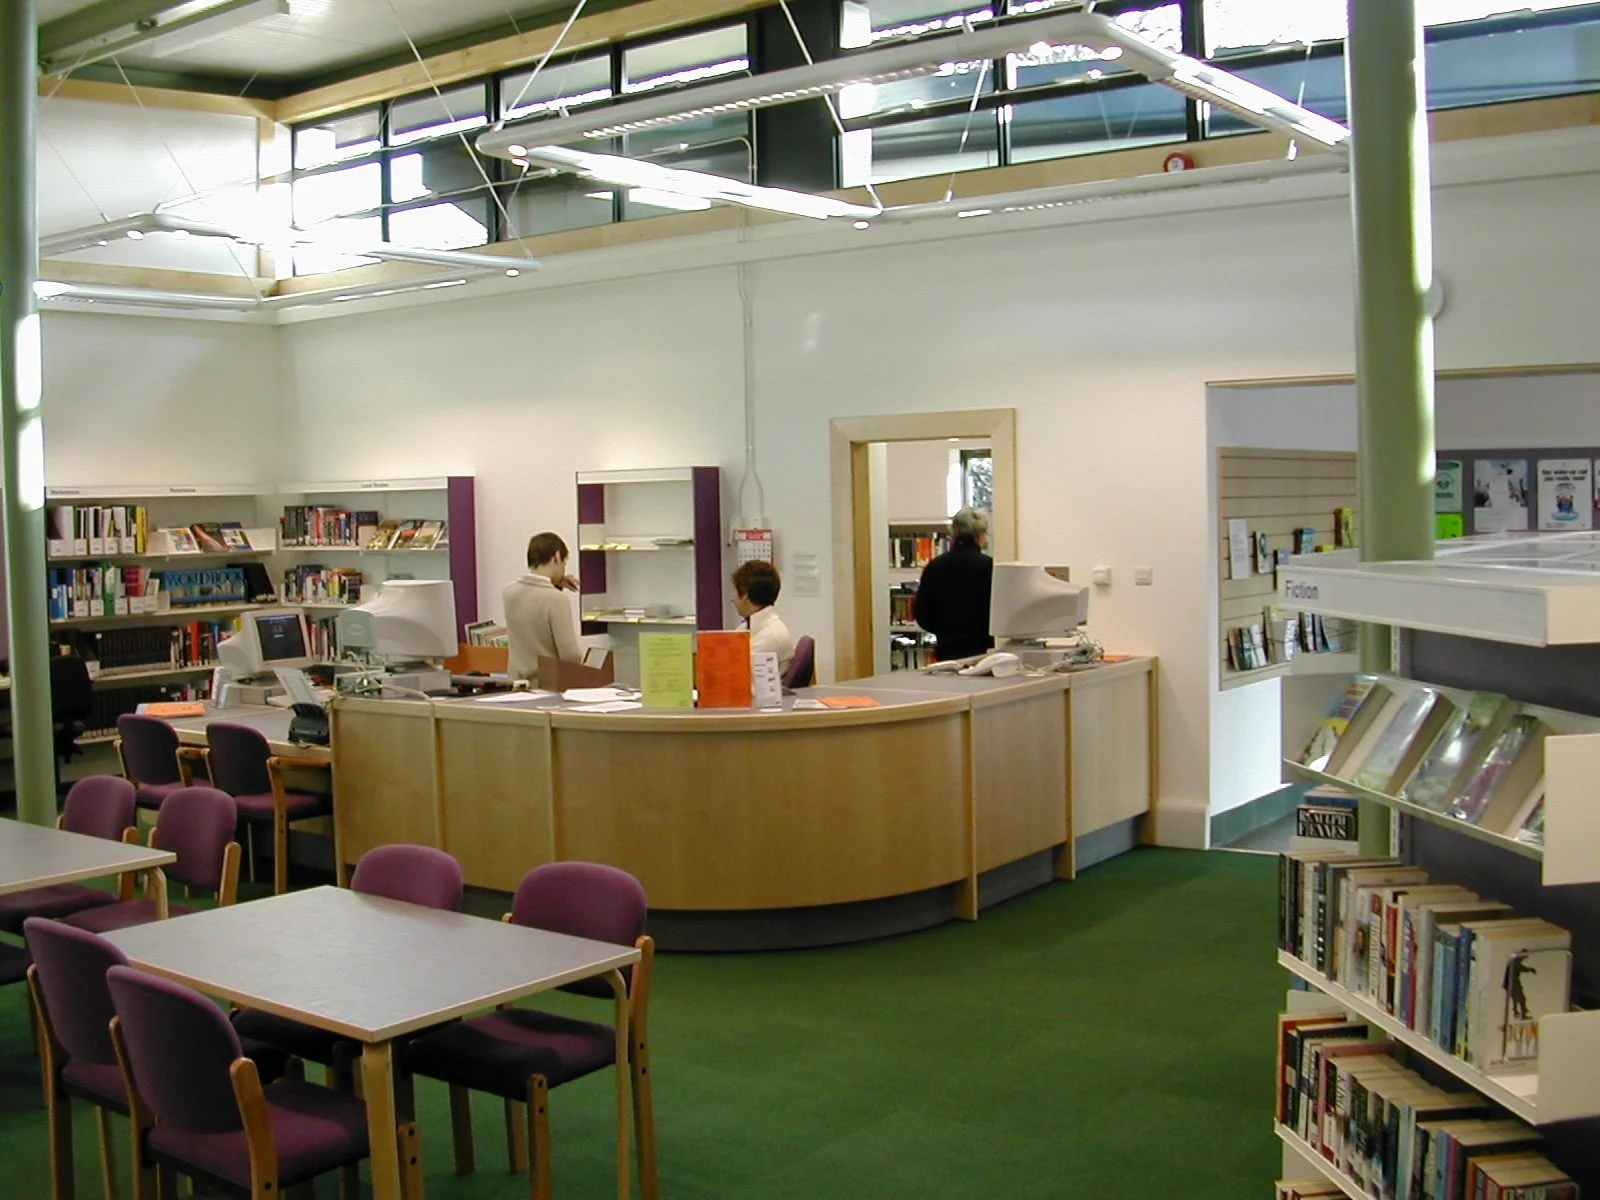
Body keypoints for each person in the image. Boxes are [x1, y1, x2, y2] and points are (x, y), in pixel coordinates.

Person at [914, 506, 994, 662]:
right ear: (980, 535)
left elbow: (923, 615)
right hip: (983, 652)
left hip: (947, 651)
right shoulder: (990, 567)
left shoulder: (934, 566)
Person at [504, 532, 582, 685]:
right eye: (564, 563)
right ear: (557, 557)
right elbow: (570, 655)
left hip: (517, 684)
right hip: (548, 685)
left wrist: (556, 584)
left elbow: (533, 601)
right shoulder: (557, 600)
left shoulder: (508, 592)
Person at [731, 560, 795, 674]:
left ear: (745, 594)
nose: (732, 598)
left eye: (735, 591)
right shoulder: (749, 627)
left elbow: (742, 679)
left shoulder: (770, 636)